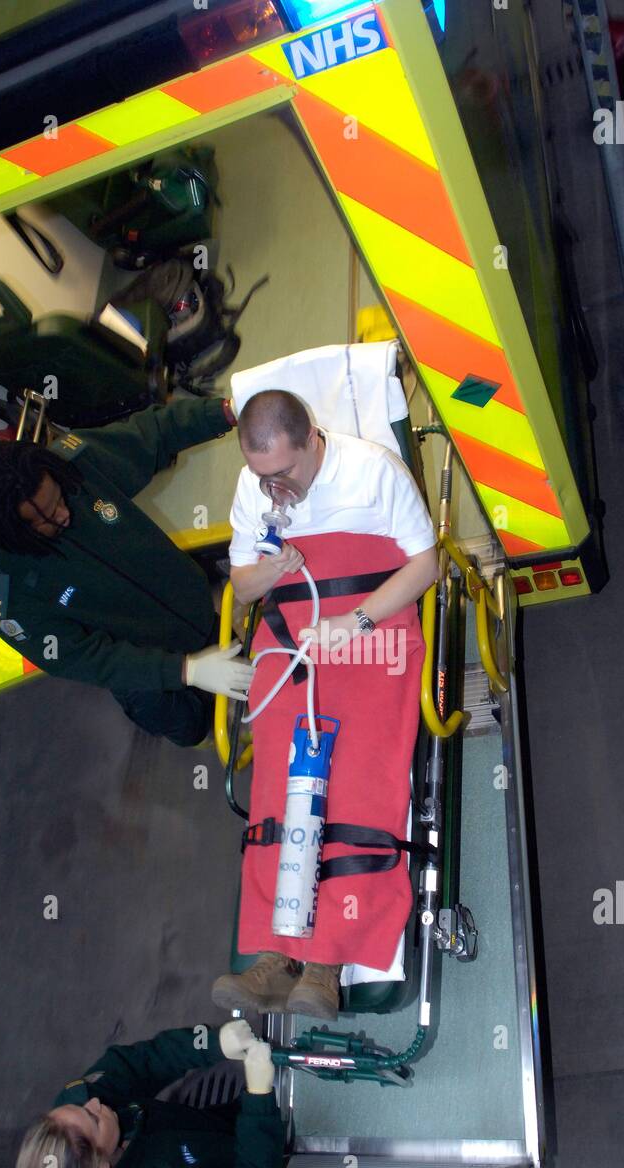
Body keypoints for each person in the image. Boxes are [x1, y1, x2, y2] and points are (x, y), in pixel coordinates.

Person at [211, 389, 438, 1019]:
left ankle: (328, 959)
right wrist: (273, 564)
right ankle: (271, 954)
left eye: (282, 472)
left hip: (375, 630)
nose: (272, 487)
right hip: (292, 634)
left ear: (312, 439)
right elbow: (242, 582)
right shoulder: (254, 489)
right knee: (280, 786)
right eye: (262, 475)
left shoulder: (374, 473)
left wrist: (356, 624)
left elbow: (426, 566)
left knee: (356, 783)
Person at [0, 395, 253, 747]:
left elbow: (154, 433)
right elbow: (77, 656)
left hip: (188, 607)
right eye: (48, 518)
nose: (64, 514)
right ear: (13, 532)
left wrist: (227, 411)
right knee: (191, 728)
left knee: (242, 668)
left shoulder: (69, 465)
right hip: (137, 667)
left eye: (60, 499)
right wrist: (185, 670)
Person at [15, 1021, 284, 1168]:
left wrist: (211, 1043)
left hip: (212, 1132)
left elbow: (141, 1063)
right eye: (92, 1117)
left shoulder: (72, 1116)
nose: (95, 1102)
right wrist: (259, 1102)